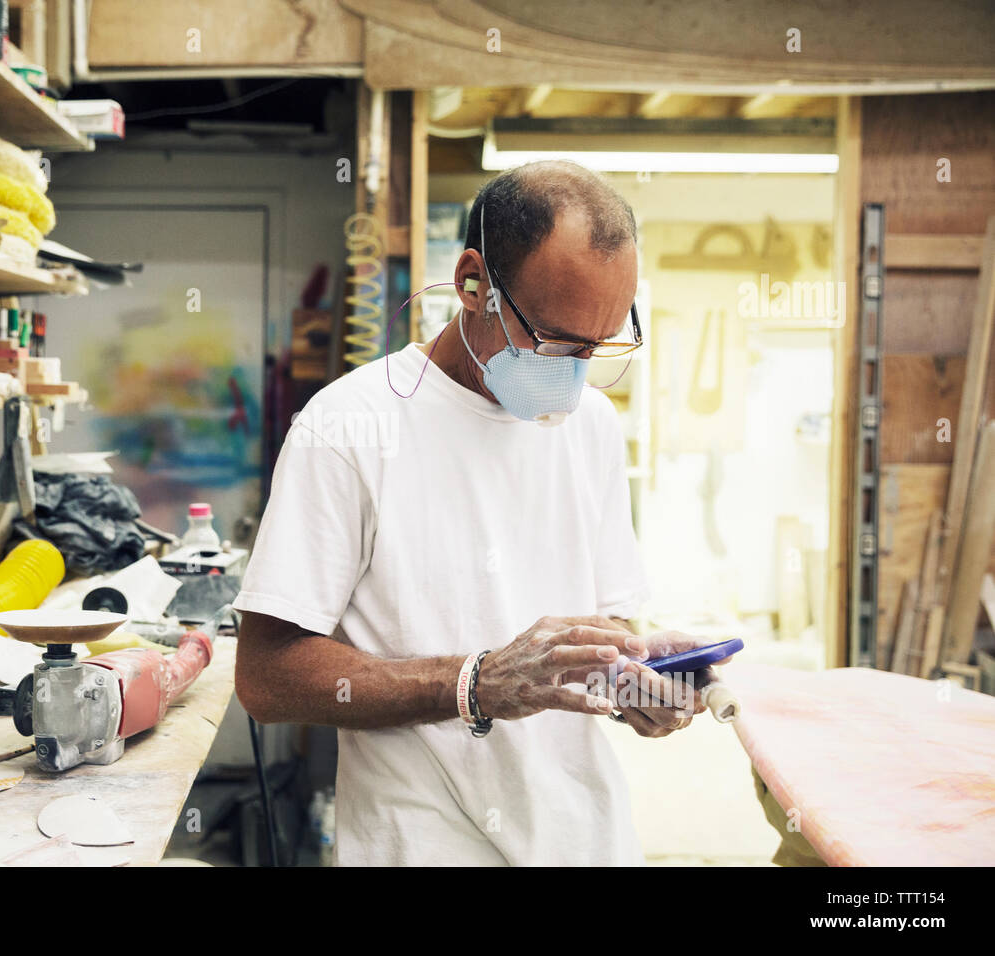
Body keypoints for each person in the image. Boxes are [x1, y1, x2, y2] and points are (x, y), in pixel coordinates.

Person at [234, 160, 720, 866]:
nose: (574, 374)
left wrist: (631, 676)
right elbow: (267, 676)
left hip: (584, 839)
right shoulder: (348, 427)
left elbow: (602, 627)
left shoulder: (592, 425)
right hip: (424, 845)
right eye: (553, 342)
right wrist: (476, 683)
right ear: (472, 283)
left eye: (597, 347)